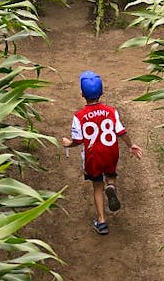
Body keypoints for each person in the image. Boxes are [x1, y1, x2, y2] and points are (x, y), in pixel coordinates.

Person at [60, 70, 143, 235]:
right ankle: (111, 186)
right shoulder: (111, 111)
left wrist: (69, 144)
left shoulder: (79, 116)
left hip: (93, 156)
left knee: (97, 185)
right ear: (102, 92)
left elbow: (79, 140)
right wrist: (130, 145)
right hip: (110, 152)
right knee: (110, 175)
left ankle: (102, 221)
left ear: (82, 94)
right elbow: (121, 131)